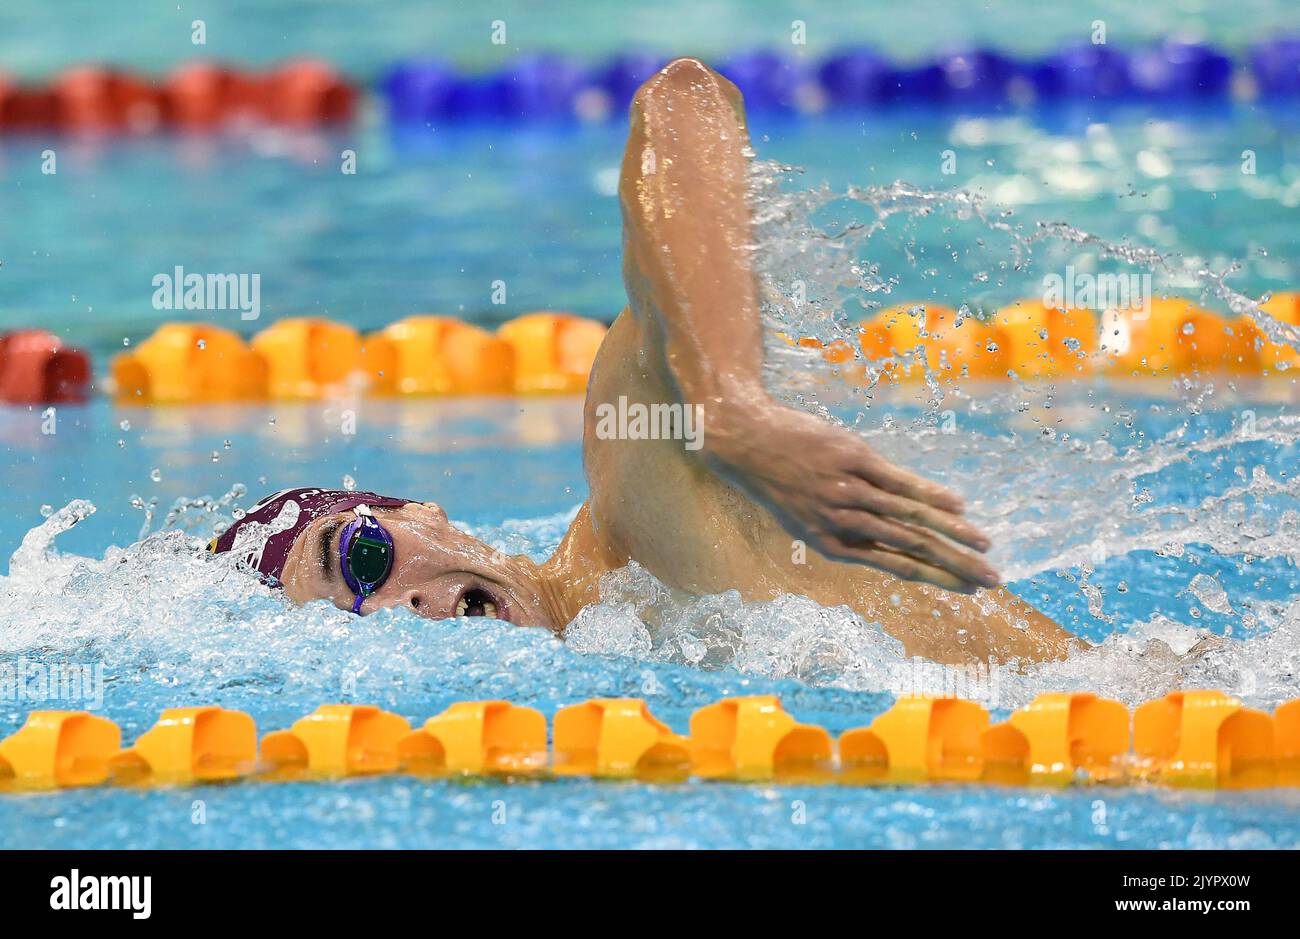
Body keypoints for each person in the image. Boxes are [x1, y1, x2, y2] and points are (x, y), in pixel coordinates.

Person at [212, 58, 1075, 666]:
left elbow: (686, 99)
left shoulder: (639, 512)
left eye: (363, 558)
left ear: (422, 511)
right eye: (355, 630)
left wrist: (727, 402)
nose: (405, 610)